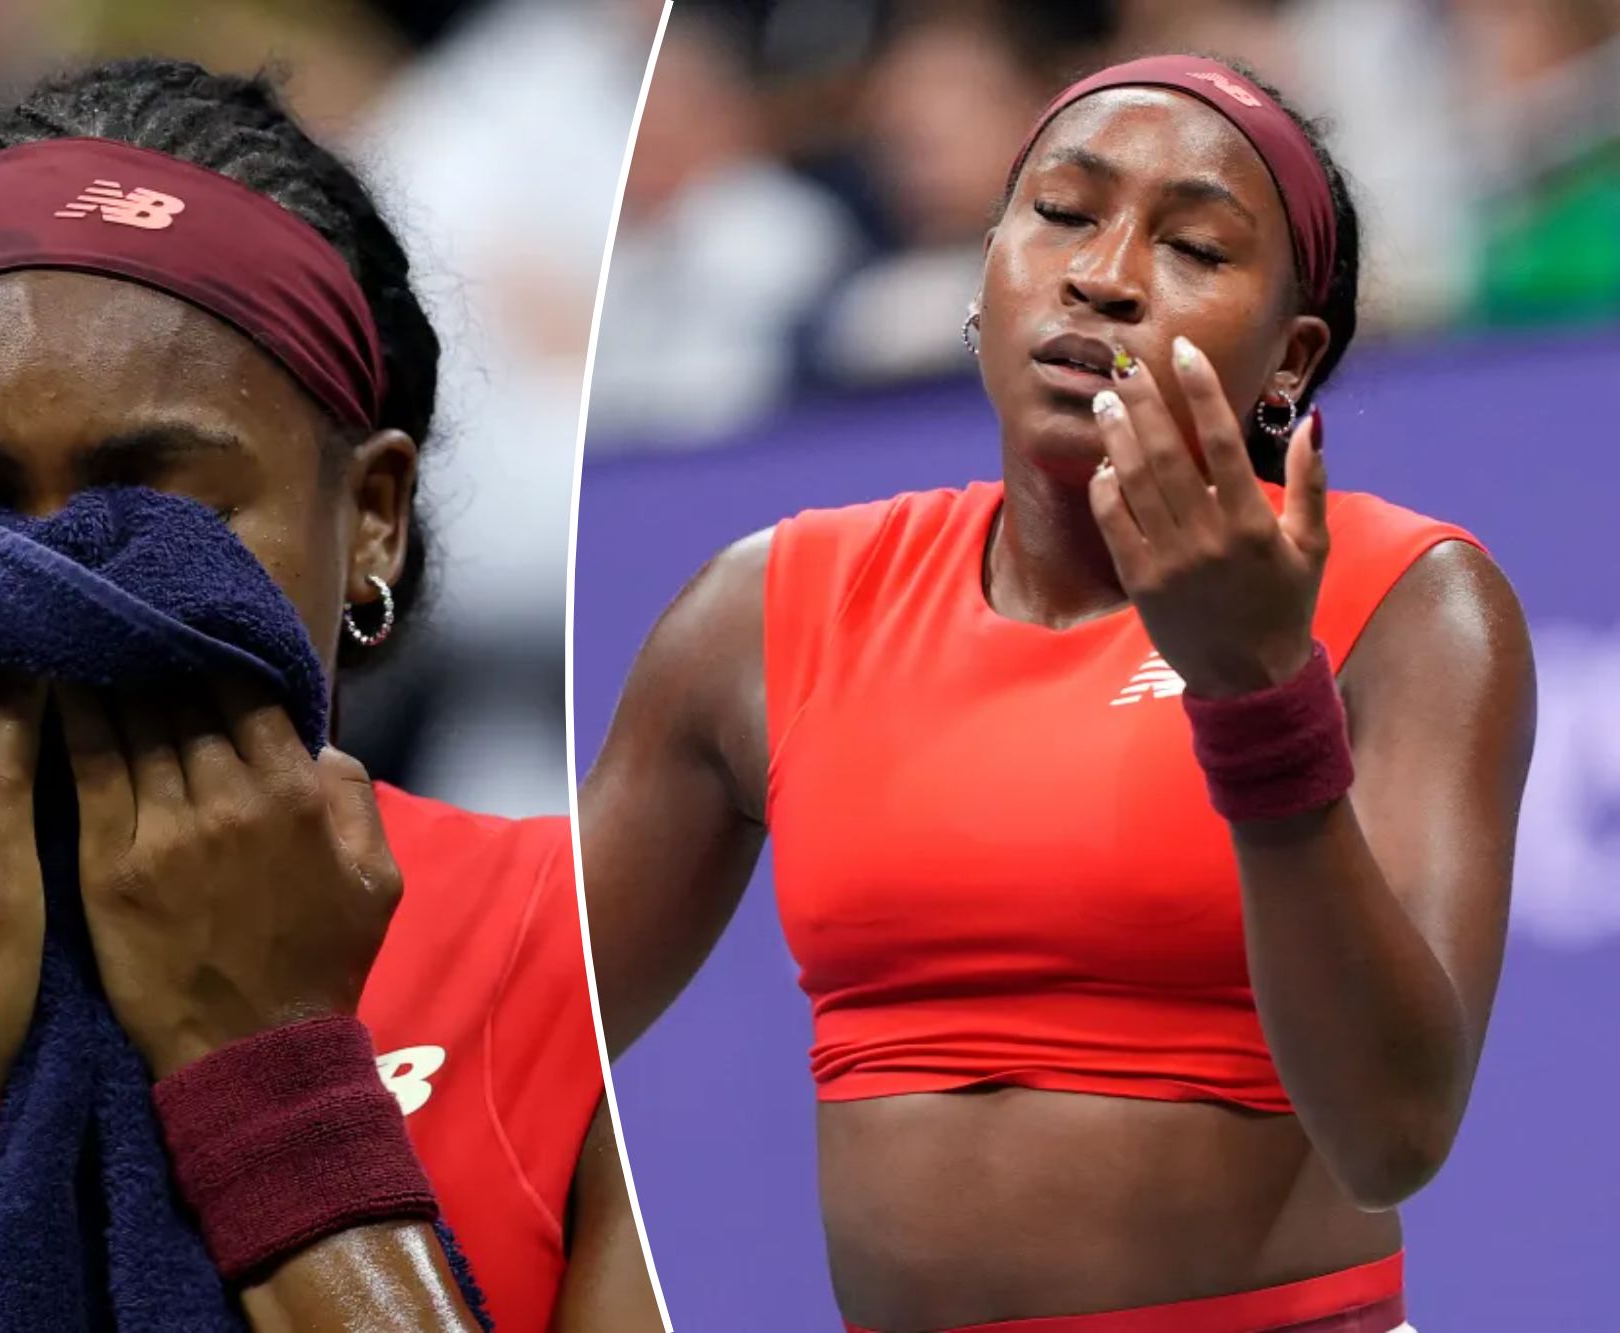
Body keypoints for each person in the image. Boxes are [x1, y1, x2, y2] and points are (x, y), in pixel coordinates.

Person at [0, 60, 656, 1333]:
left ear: (373, 520)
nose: (51, 581)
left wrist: (270, 1092)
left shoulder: (594, 957)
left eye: (164, 502)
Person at [581, 53, 1535, 1333]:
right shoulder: (760, 608)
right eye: (1062, 213)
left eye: (1193, 245)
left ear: (1288, 360)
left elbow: (1392, 1134)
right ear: (984, 269)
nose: (1103, 274)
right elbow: (520, 1029)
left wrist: (1256, 698)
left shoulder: (1410, 601)